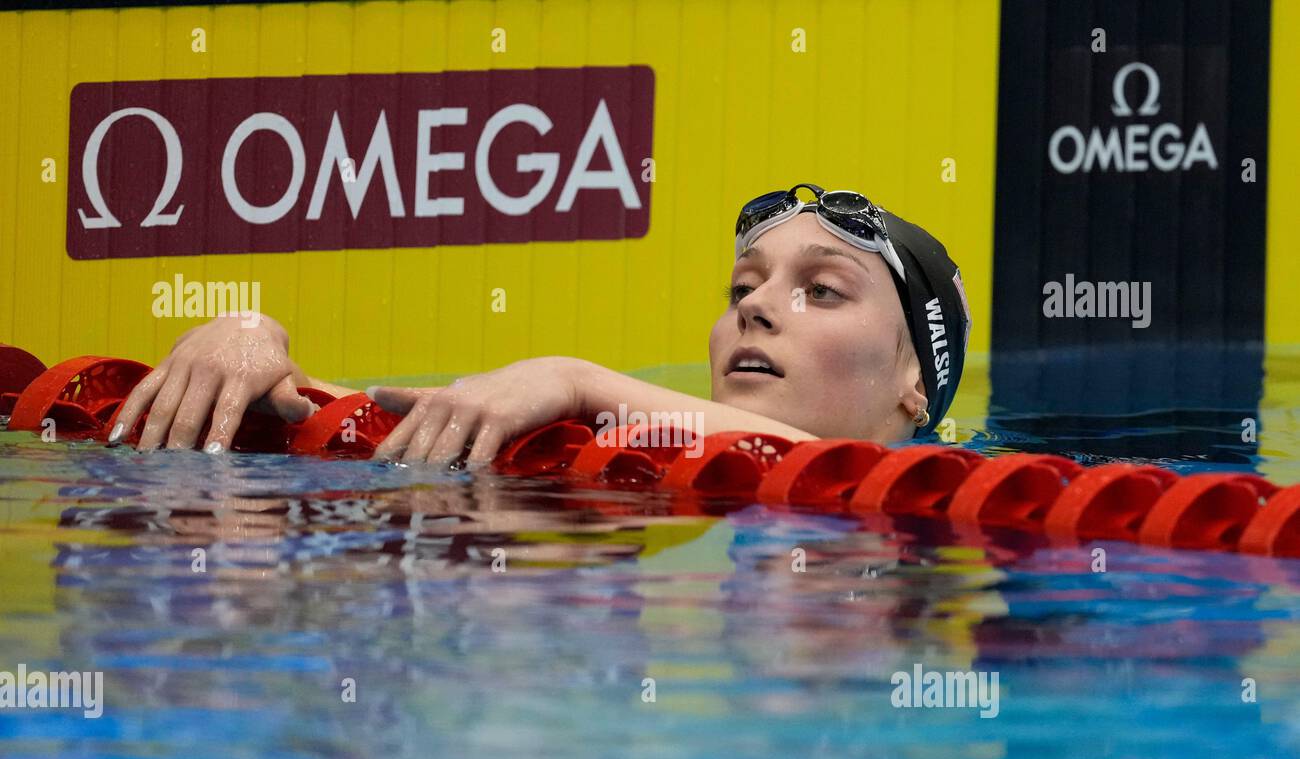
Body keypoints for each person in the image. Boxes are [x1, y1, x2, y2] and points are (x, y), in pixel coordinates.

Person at [109, 183, 970, 466]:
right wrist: (247, 342)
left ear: (915, 385)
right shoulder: (616, 461)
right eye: (743, 285)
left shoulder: (976, 511)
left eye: (822, 291)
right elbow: (383, 431)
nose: (753, 305)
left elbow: (833, 474)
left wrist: (577, 376)